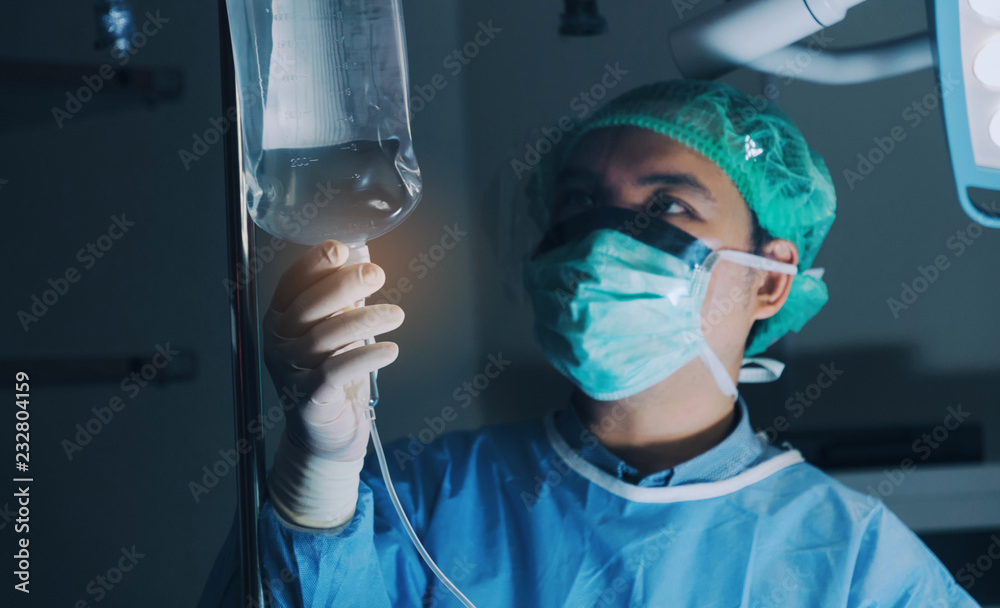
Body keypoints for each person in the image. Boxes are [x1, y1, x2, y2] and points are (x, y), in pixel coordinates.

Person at [199, 80, 978, 607]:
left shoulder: (856, 566)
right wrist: (318, 476)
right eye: (578, 204)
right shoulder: (415, 504)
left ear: (771, 280)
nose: (602, 239)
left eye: (666, 205)